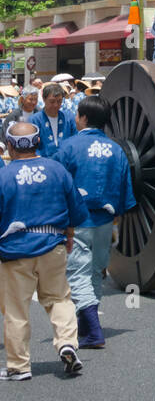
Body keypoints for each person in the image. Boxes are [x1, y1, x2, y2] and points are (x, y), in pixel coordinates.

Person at [0, 122, 85, 380]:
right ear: (38, 143)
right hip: (53, 244)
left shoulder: (3, 176)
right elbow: (76, 209)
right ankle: (67, 343)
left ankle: (19, 366)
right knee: (59, 298)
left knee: (16, 310)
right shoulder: (56, 170)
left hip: (15, 250)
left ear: (10, 146)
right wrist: (68, 235)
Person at [57, 95, 137, 349]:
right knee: (94, 272)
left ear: (83, 118)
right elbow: (126, 187)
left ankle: (93, 329)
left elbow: (58, 184)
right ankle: (86, 325)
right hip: (105, 220)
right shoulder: (117, 150)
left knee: (76, 274)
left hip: (78, 221)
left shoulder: (69, 147)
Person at [31, 82, 77, 159]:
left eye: (59, 101)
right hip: (44, 162)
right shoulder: (34, 120)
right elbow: (32, 147)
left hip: (66, 161)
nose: (56, 105)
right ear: (44, 99)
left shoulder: (69, 117)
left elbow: (76, 139)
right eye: (52, 101)